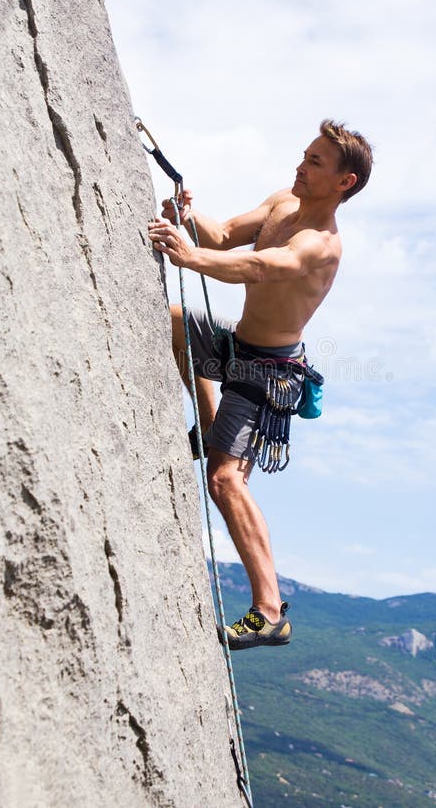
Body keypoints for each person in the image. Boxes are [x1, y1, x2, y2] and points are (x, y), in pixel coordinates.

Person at [148, 120, 373, 650]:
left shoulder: (321, 245)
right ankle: (208, 426)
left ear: (345, 182)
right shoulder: (281, 204)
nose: (300, 166)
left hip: (269, 372)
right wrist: (188, 217)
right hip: (237, 346)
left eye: (315, 162)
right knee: (177, 320)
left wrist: (189, 256)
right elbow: (226, 235)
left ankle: (270, 611)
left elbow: (261, 266)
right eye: (305, 155)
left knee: (226, 480)